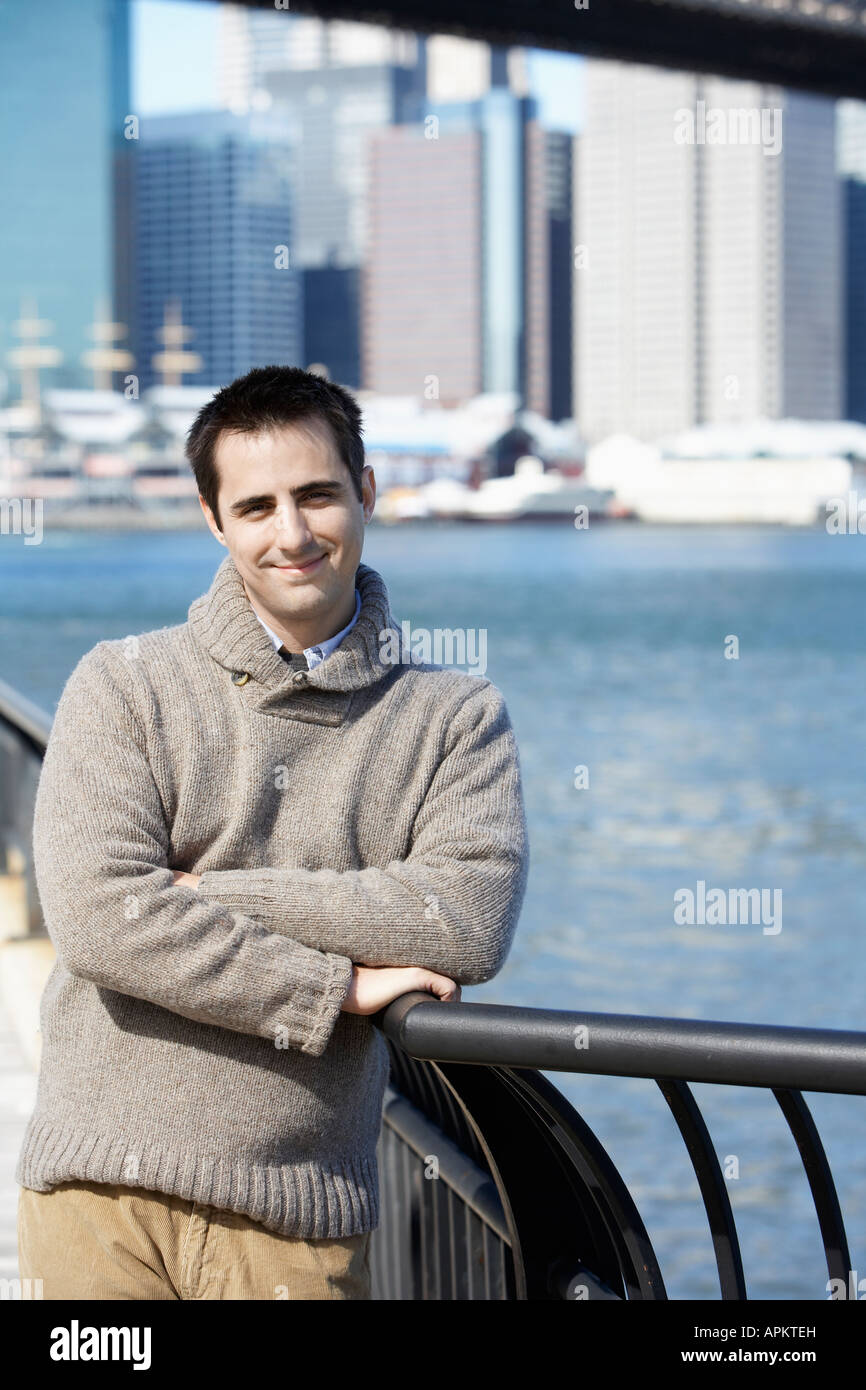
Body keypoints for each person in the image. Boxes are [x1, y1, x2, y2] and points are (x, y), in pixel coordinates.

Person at [16, 364, 530, 1300]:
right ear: (215, 520)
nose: (291, 535)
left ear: (367, 491)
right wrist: (339, 988)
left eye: (318, 495)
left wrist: (211, 893)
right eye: (255, 507)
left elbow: (465, 923)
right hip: (98, 1195)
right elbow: (97, 918)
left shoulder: (454, 716)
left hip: (296, 1216)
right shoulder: (123, 683)